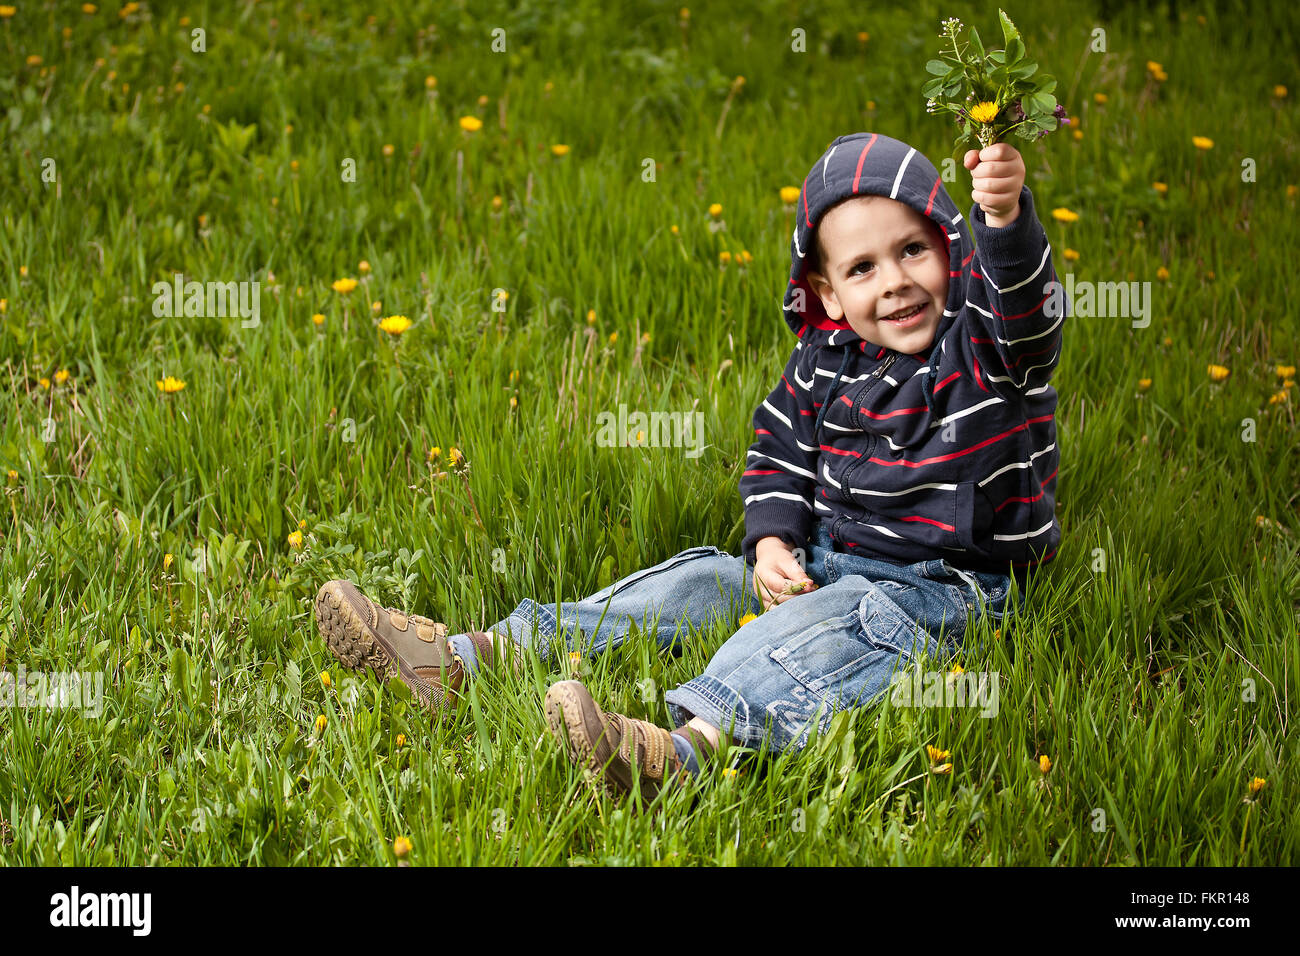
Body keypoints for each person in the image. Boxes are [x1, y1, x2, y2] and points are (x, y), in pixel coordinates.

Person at [314, 131, 1065, 801]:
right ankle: (463, 658)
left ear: (953, 251)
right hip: (826, 558)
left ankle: (683, 753)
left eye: (913, 250)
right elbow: (778, 457)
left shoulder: (982, 351)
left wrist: (1005, 219)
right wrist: (772, 545)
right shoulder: (822, 362)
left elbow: (1026, 312)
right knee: (699, 582)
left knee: (819, 634)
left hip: (936, 592)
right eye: (862, 268)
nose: (895, 281)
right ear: (828, 293)